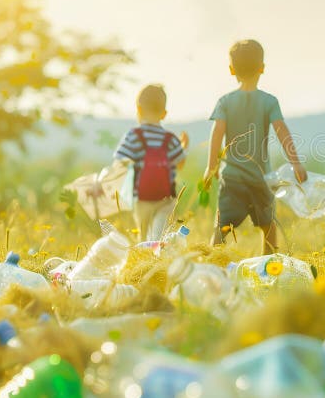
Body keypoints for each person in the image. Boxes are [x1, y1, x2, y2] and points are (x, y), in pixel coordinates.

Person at [205, 39, 307, 252]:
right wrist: (295, 163)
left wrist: (211, 165)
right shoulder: (269, 101)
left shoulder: (225, 102)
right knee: (268, 226)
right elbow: (282, 132)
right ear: (262, 68)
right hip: (261, 178)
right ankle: (269, 267)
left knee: (221, 227)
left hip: (232, 177)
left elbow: (217, 134)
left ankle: (212, 265)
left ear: (232, 70)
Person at [114, 84, 188, 241]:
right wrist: (183, 147)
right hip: (166, 199)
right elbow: (180, 163)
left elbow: (120, 161)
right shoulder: (170, 139)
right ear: (164, 114)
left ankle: (147, 259)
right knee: (160, 236)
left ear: (138, 110)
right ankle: (160, 256)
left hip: (142, 199)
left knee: (143, 238)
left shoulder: (134, 136)